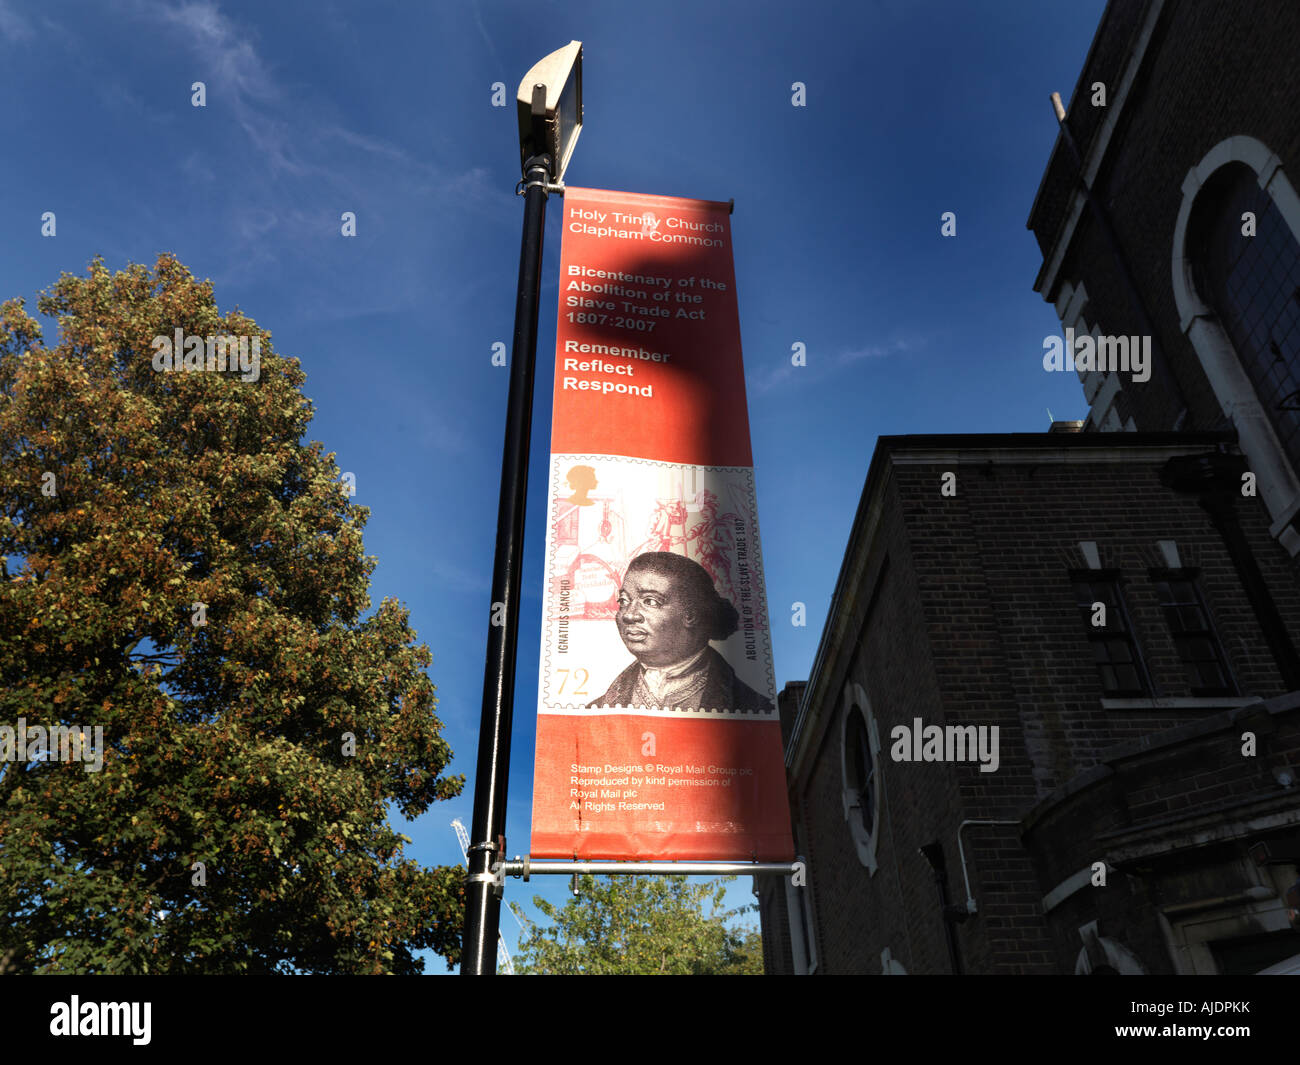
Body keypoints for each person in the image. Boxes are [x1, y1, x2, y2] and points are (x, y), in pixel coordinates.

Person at [586, 551, 772, 712]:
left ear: (691, 615)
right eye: (624, 601)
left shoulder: (755, 707)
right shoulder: (594, 710)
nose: (629, 615)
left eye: (650, 601)